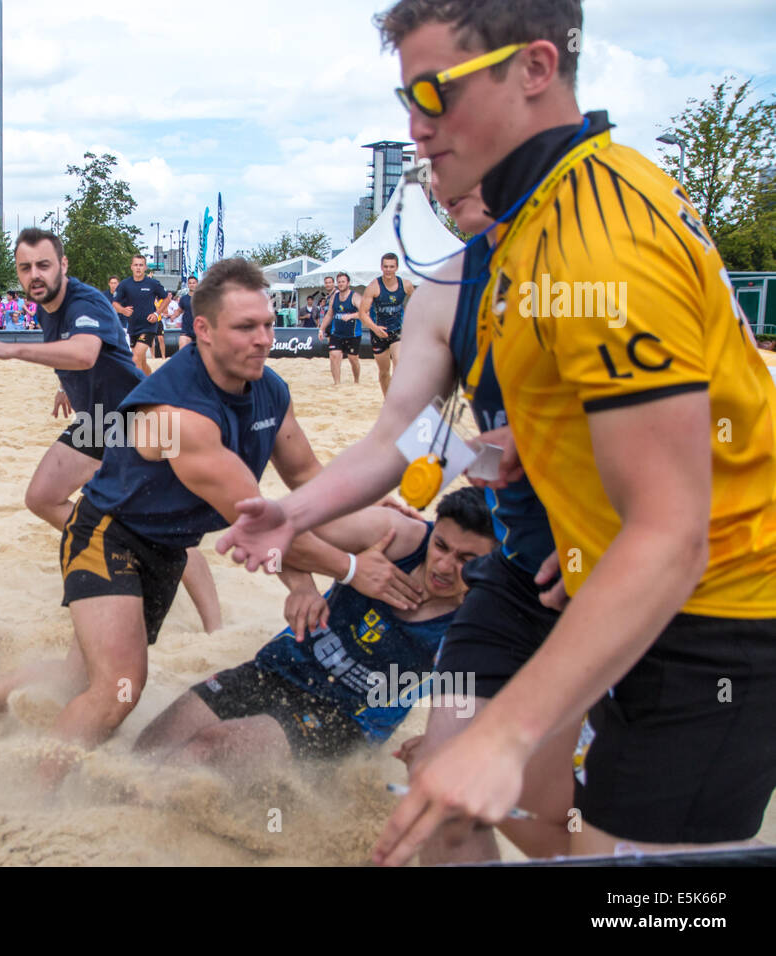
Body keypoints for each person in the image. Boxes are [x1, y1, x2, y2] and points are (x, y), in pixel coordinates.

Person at [225, 0, 776, 866]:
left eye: (434, 93)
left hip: (717, 609)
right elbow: (416, 437)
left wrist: (509, 735)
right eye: (405, 98)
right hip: (550, 569)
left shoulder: (601, 241)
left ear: (535, 69)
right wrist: (296, 515)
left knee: (633, 897)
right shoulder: (523, 226)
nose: (414, 127)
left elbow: (673, 531)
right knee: (440, 805)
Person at [0, 256, 425, 785]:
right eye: (245, 328)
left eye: (266, 324)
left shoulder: (270, 388)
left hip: (167, 549)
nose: (263, 339)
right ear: (203, 330)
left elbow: (307, 478)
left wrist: (365, 513)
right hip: (108, 535)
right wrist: (348, 570)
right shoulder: (179, 415)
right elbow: (256, 522)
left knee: (80, 677)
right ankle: (31, 803)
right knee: (118, 687)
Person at [0, 228, 224, 640]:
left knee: (171, 530)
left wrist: (9, 348)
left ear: (63, 265)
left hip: (142, 418)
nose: (34, 274)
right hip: (99, 419)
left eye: (43, 265)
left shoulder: (86, 300)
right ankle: (118, 542)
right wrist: (63, 385)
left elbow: (84, 352)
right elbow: (85, 356)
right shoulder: (44, 308)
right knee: (41, 497)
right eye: (25, 267)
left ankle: (216, 628)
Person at [137, 488, 495, 772]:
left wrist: (442, 740)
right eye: (442, 546)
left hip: (346, 718)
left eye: (467, 560)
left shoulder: (480, 618)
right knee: (151, 746)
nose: (445, 566)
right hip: (280, 669)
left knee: (210, 747)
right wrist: (304, 587)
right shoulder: (398, 537)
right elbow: (274, 531)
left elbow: (479, 702)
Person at [359, 254, 414, 396]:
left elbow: (417, 304)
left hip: (397, 331)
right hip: (378, 332)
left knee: (399, 364)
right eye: (385, 266)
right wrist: (375, 328)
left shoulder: (406, 285)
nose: (388, 270)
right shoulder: (373, 287)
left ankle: (397, 398)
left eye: (391, 267)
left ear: (397, 267)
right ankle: (387, 401)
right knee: (384, 372)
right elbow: (362, 313)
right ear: (381, 267)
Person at [113, 255, 167, 374]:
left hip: (149, 326)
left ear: (145, 267)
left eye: (141, 265)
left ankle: (138, 390)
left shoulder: (153, 283)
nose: (138, 268)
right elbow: (114, 304)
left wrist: (156, 313)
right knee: (141, 362)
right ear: (131, 267)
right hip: (133, 327)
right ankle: (149, 381)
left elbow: (167, 297)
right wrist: (122, 310)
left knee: (135, 358)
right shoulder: (125, 284)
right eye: (136, 265)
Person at [319, 272, 364, 386]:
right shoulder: (334, 297)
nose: (341, 284)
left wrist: (351, 316)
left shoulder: (355, 296)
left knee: (353, 359)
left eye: (343, 281)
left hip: (353, 334)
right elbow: (329, 314)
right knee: (334, 356)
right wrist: (321, 329)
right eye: (339, 282)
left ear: (348, 283)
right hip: (337, 333)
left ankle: (357, 380)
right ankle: (337, 384)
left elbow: (365, 312)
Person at [177, 275, 199, 350]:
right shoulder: (183, 299)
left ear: (197, 284)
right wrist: (172, 316)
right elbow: (179, 310)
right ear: (188, 285)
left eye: (194, 283)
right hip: (186, 330)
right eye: (190, 283)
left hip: (199, 330)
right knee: (182, 349)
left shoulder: (202, 298)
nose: (192, 285)